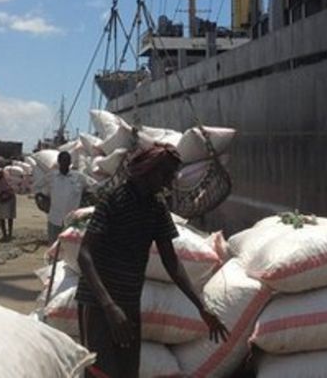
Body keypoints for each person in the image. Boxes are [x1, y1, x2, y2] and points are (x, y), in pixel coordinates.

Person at [76, 145, 228, 377]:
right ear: (148, 170)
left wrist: (202, 307)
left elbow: (171, 262)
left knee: (128, 371)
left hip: (128, 301)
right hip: (99, 303)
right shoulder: (113, 199)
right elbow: (84, 255)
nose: (169, 181)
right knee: (100, 371)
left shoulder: (156, 207)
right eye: (165, 174)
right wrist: (109, 307)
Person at [39, 151, 94, 243]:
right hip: (54, 220)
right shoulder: (51, 177)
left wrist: (86, 197)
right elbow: (41, 192)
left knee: (70, 248)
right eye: (62, 161)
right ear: (59, 162)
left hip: (73, 222)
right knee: (53, 246)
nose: (64, 163)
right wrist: (44, 203)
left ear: (70, 162)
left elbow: (95, 187)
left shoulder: (79, 177)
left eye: (66, 161)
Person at [0, 166, 16, 241]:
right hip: (8, 197)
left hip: (6, 197)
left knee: (4, 217)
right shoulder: (4, 178)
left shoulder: (3, 180)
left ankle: (6, 234)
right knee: (8, 217)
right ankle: (7, 234)